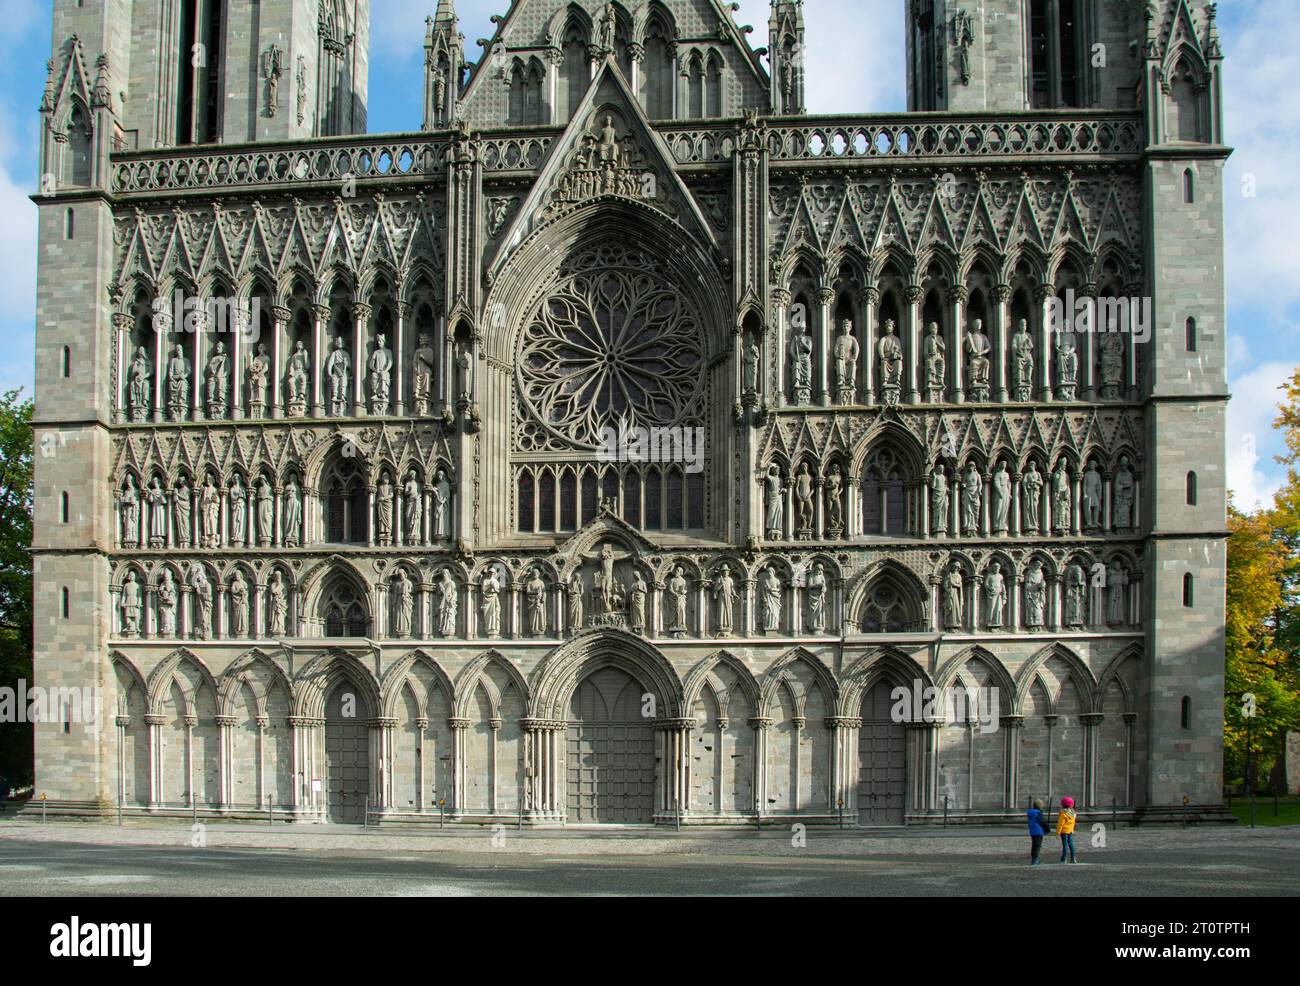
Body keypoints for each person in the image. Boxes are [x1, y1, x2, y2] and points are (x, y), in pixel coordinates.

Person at [1057, 796, 1078, 863]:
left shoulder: (1063, 813)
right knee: (1071, 844)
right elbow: (1073, 823)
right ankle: (1073, 858)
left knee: (1065, 845)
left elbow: (1061, 824)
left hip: (1064, 831)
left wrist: (1058, 832)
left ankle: (1064, 859)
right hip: (1070, 831)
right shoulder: (1073, 813)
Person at [1027, 798, 1048, 866]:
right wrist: (1047, 829)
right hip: (1039, 831)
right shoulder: (1038, 813)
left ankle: (1034, 859)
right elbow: (1043, 822)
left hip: (1032, 831)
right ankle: (1036, 860)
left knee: (1034, 845)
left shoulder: (1031, 813)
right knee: (1038, 846)